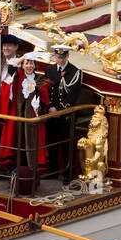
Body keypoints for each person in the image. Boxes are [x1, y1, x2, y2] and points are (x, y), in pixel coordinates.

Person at [0, 52, 50, 176]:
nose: (29, 66)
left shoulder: (41, 79)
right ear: (22, 65)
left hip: (32, 119)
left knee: (31, 144)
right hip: (17, 116)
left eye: (31, 63)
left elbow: (45, 101)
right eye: (26, 63)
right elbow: (10, 65)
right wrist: (24, 57)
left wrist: (39, 106)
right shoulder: (17, 76)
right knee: (16, 142)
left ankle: (31, 173)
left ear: (35, 65)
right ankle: (15, 173)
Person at [45, 45, 82, 180]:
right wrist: (49, 107)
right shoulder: (49, 70)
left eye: (62, 57)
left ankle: (68, 174)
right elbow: (46, 90)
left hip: (66, 116)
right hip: (51, 114)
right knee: (50, 144)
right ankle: (52, 171)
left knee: (67, 147)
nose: (60, 60)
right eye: (58, 57)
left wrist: (59, 110)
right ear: (54, 56)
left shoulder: (75, 72)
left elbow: (72, 95)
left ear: (67, 56)